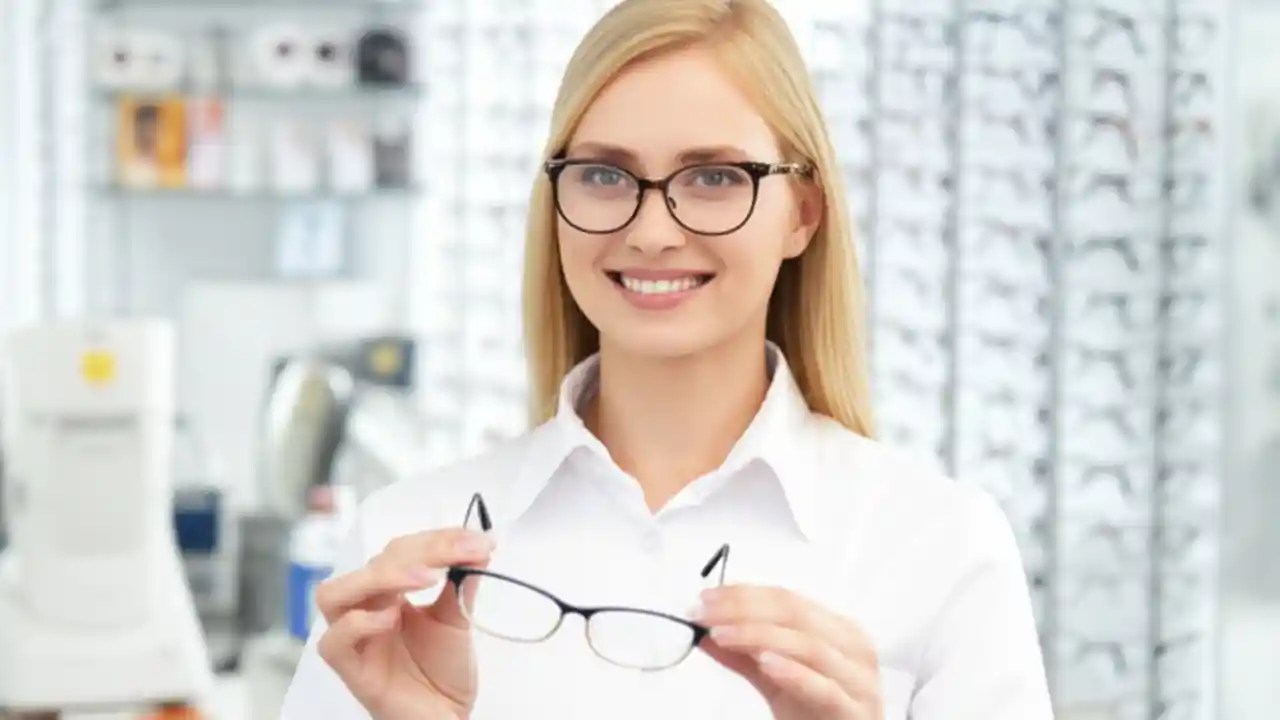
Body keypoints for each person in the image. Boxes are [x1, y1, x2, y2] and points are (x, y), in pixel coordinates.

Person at [280, 1, 1053, 718]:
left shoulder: (940, 547)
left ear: (803, 213)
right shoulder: (403, 556)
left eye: (715, 177)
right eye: (605, 175)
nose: (652, 229)